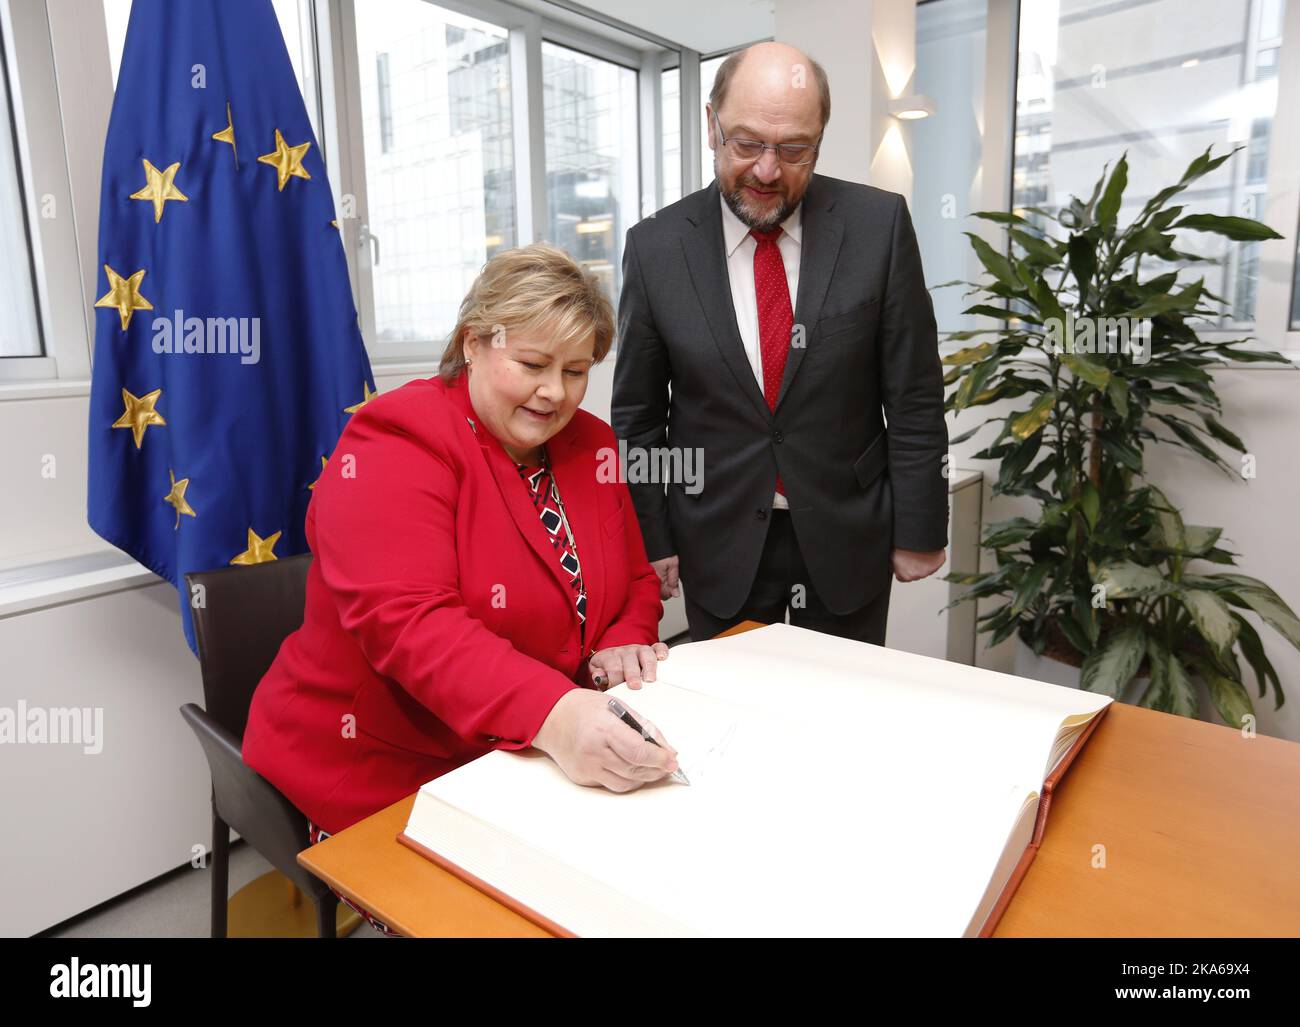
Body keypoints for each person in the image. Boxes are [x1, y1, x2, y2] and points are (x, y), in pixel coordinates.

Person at [243, 243, 679, 857]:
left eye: (576, 371)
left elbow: (634, 577)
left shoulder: (594, 442)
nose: (555, 393)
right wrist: (553, 712)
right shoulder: (398, 439)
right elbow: (414, 626)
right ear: (473, 343)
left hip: (529, 751)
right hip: (386, 765)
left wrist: (623, 638)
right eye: (532, 364)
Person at [612, 42, 949, 646]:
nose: (768, 171)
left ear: (820, 139)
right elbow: (638, 417)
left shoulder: (879, 226)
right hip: (715, 538)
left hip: (849, 535)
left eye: (794, 150)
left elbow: (915, 395)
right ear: (712, 125)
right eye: (746, 144)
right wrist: (652, 536)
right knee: (734, 721)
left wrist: (920, 527)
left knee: (844, 714)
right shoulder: (655, 248)